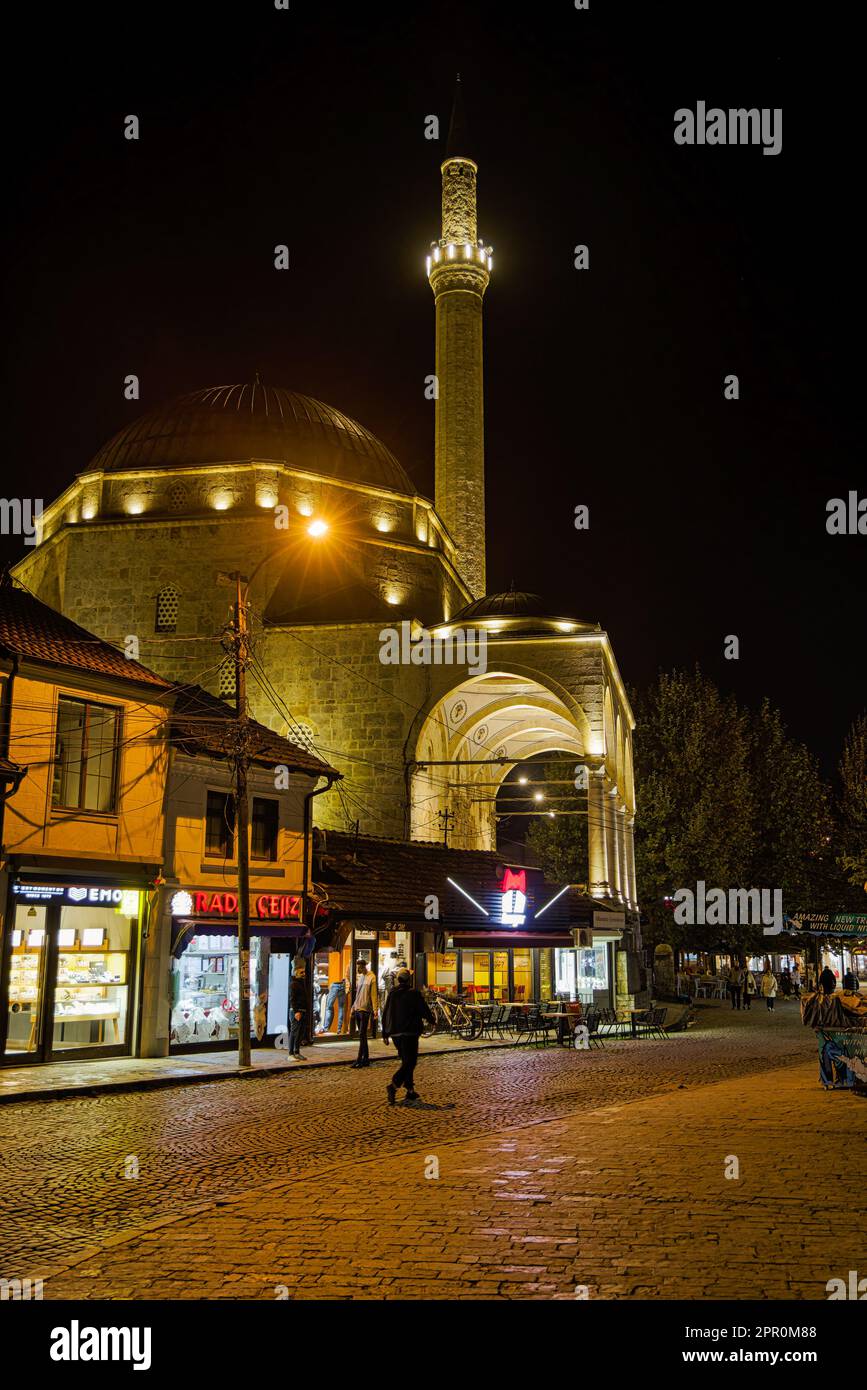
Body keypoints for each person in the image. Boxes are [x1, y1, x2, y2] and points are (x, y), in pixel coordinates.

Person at [381, 968, 435, 1104]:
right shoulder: (414, 993)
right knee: (410, 1062)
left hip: (396, 1034)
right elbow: (423, 1009)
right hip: (410, 1033)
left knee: (406, 1060)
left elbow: (386, 1012)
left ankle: (410, 1090)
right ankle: (393, 1086)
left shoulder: (392, 993)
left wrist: (385, 1033)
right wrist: (432, 1020)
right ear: (408, 979)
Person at [350, 959, 379, 1068]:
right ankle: (365, 1059)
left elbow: (374, 995)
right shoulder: (361, 977)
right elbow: (357, 994)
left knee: (362, 1034)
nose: (358, 970)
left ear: (364, 966)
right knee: (362, 1036)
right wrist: (353, 1006)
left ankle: (359, 1059)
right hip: (357, 1008)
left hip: (365, 1010)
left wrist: (375, 1010)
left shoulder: (372, 977)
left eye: (360, 967)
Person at [288, 964, 308, 1059]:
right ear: (296, 973)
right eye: (301, 972)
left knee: (300, 1033)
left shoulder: (302, 983)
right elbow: (292, 999)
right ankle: (291, 1053)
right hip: (297, 1011)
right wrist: (296, 1011)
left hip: (303, 1011)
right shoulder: (294, 984)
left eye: (304, 972)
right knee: (295, 1032)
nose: (304, 974)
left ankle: (297, 1051)